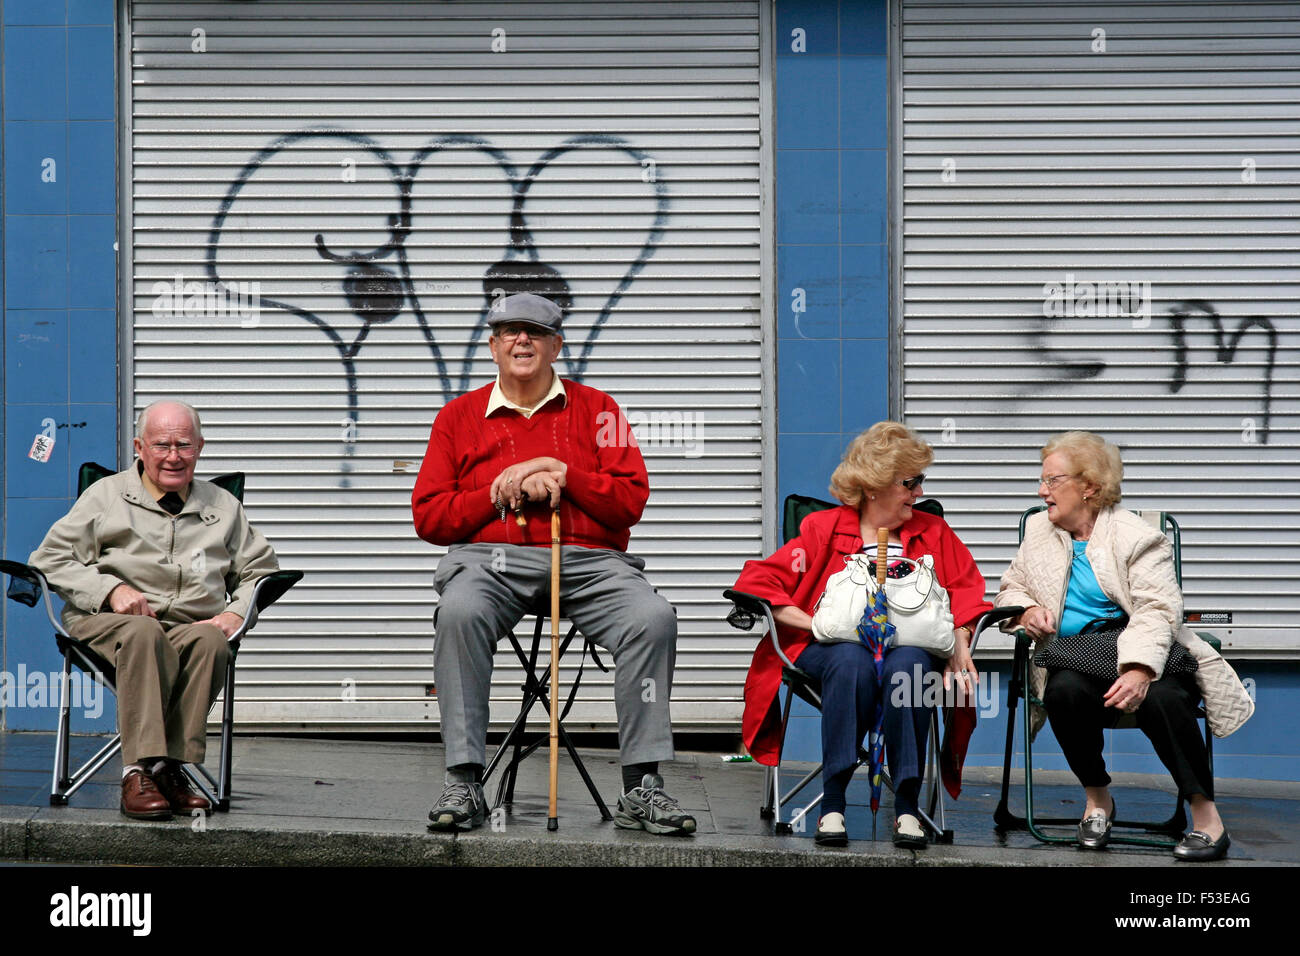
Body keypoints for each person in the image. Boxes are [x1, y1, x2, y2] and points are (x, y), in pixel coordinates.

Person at [412, 292, 692, 835]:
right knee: (459, 613)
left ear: (556, 345)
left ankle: (642, 786)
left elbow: (630, 499)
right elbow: (429, 518)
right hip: (490, 562)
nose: (523, 340)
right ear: (493, 346)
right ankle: (463, 778)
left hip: (589, 561)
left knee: (652, 618)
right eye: (511, 332)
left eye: (536, 332)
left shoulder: (599, 409)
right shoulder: (457, 417)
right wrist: (500, 490)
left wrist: (564, 473)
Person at [733, 421, 991, 848]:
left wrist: (960, 638)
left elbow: (968, 591)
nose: (919, 492)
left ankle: (907, 806)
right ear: (874, 487)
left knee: (908, 666)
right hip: (827, 650)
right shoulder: (823, 528)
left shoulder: (932, 532)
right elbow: (759, 580)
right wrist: (812, 623)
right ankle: (832, 803)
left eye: (920, 481)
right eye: (911, 482)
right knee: (850, 660)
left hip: (907, 652)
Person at [996, 430, 1247, 861]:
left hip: (1144, 656)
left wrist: (1139, 670)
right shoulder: (1039, 529)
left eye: (1052, 481)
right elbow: (1010, 587)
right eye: (1042, 481)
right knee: (1063, 691)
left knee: (1165, 699)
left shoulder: (1136, 536)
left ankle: (1207, 819)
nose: (1042, 491)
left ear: (1088, 487)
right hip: (1076, 659)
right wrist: (1025, 611)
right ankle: (1098, 800)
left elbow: (1157, 609)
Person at [29, 400, 279, 820]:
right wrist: (109, 589)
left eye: (184, 444)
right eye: (162, 444)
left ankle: (167, 769)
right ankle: (136, 771)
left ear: (200, 447)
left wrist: (237, 613)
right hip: (107, 622)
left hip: (185, 625)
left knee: (210, 639)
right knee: (144, 633)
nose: (174, 456)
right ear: (140, 448)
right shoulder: (106, 496)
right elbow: (49, 558)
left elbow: (261, 571)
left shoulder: (223, 506)